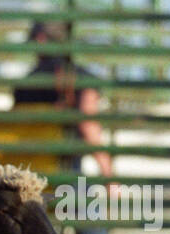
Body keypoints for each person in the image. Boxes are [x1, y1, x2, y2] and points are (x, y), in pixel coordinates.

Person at [12, 21, 114, 180]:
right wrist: (109, 176)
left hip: (27, 177)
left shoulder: (23, 85)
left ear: (39, 40)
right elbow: (88, 124)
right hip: (64, 177)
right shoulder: (82, 79)